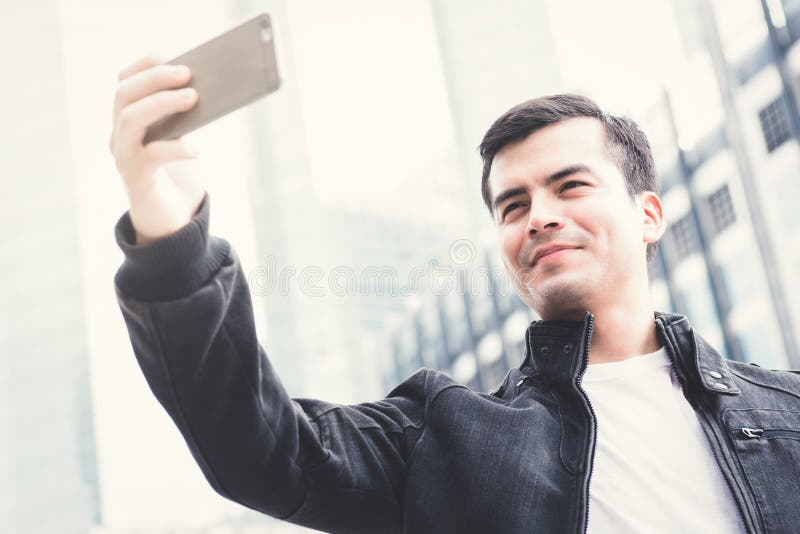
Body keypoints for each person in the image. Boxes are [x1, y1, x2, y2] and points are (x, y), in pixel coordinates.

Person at [110, 55, 800, 533]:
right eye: (511, 204)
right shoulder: (447, 438)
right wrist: (168, 231)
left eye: (571, 185)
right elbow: (262, 450)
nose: (540, 215)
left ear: (648, 213)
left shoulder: (787, 409)